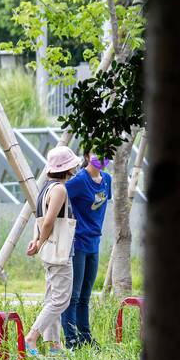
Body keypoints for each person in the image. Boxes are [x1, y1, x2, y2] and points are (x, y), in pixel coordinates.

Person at [23, 145, 80, 355]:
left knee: (52, 297)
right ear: (68, 168)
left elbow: (38, 220)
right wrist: (38, 242)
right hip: (59, 251)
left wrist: (36, 240)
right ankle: (32, 337)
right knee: (61, 299)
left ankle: (54, 345)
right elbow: (48, 222)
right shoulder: (59, 189)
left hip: (49, 249)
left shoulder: (45, 188)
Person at [61, 148, 112, 348]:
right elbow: (57, 195)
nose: (101, 157)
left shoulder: (107, 179)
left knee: (85, 295)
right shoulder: (79, 180)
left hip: (94, 243)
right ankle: (71, 340)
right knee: (73, 295)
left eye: (106, 152)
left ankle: (85, 337)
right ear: (86, 156)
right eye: (96, 152)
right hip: (77, 243)